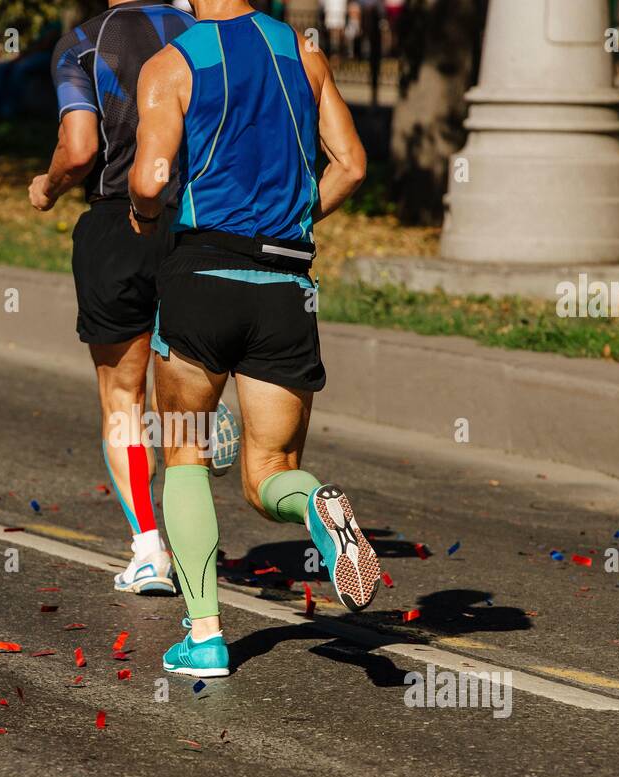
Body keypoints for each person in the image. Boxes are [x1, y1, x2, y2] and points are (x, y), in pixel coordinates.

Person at [128, 0, 383, 677]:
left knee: (185, 455)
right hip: (285, 285)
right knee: (268, 472)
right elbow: (352, 165)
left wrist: (142, 215)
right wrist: (292, 220)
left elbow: (150, 178)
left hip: (202, 275)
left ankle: (206, 637)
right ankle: (318, 509)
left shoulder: (172, 63)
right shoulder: (304, 53)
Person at [30, 0, 239, 595]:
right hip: (198, 225)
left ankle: (149, 550)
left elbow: (79, 149)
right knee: (187, 388)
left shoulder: (82, 44)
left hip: (118, 225)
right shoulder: (203, 34)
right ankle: (204, 435)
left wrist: (47, 187)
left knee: (123, 397)